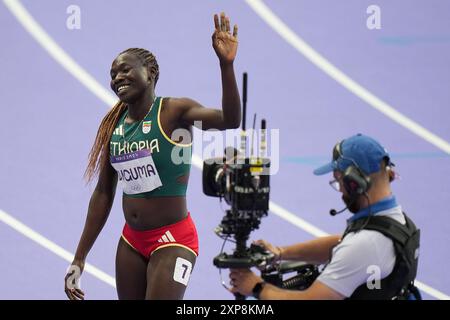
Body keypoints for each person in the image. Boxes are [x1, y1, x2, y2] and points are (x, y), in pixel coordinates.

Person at [64, 12, 241, 300]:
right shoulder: (114, 127)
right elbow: (103, 194)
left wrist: (226, 66)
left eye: (125, 70)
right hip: (131, 242)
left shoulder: (174, 112)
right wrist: (79, 259)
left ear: (150, 73)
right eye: (113, 74)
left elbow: (230, 120)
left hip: (174, 240)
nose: (118, 78)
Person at [230, 134, 421, 300]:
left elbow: (311, 299)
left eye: (339, 182)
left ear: (355, 183)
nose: (340, 192)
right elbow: (341, 243)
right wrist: (280, 253)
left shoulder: (365, 244)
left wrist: (256, 287)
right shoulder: (395, 222)